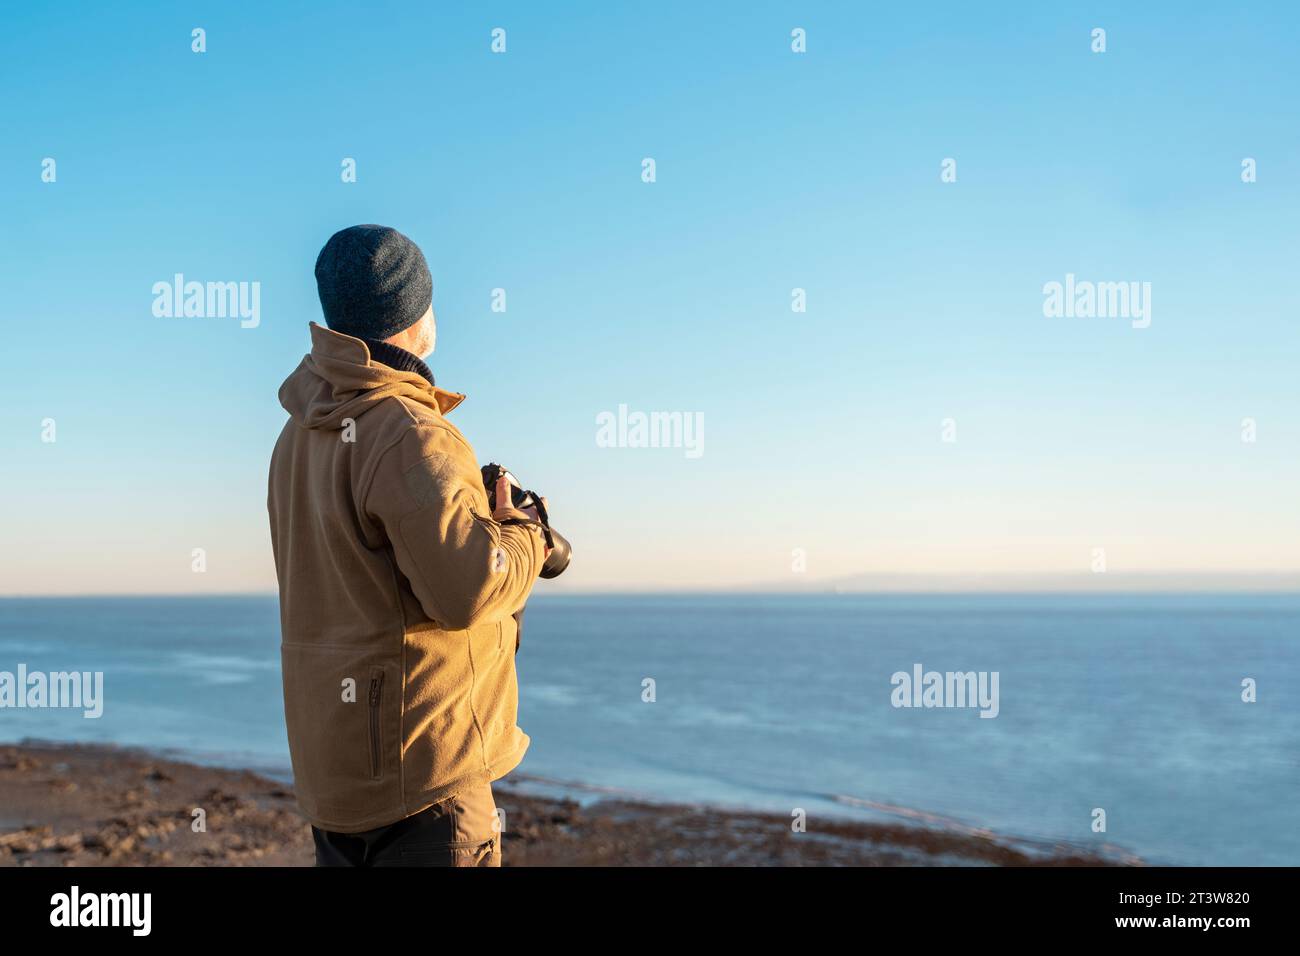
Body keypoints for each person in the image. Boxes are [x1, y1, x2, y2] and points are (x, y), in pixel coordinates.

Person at [268, 224, 549, 866]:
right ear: (417, 313)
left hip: (337, 771)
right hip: (424, 775)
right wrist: (525, 532)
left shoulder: (300, 435)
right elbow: (469, 590)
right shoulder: (408, 432)